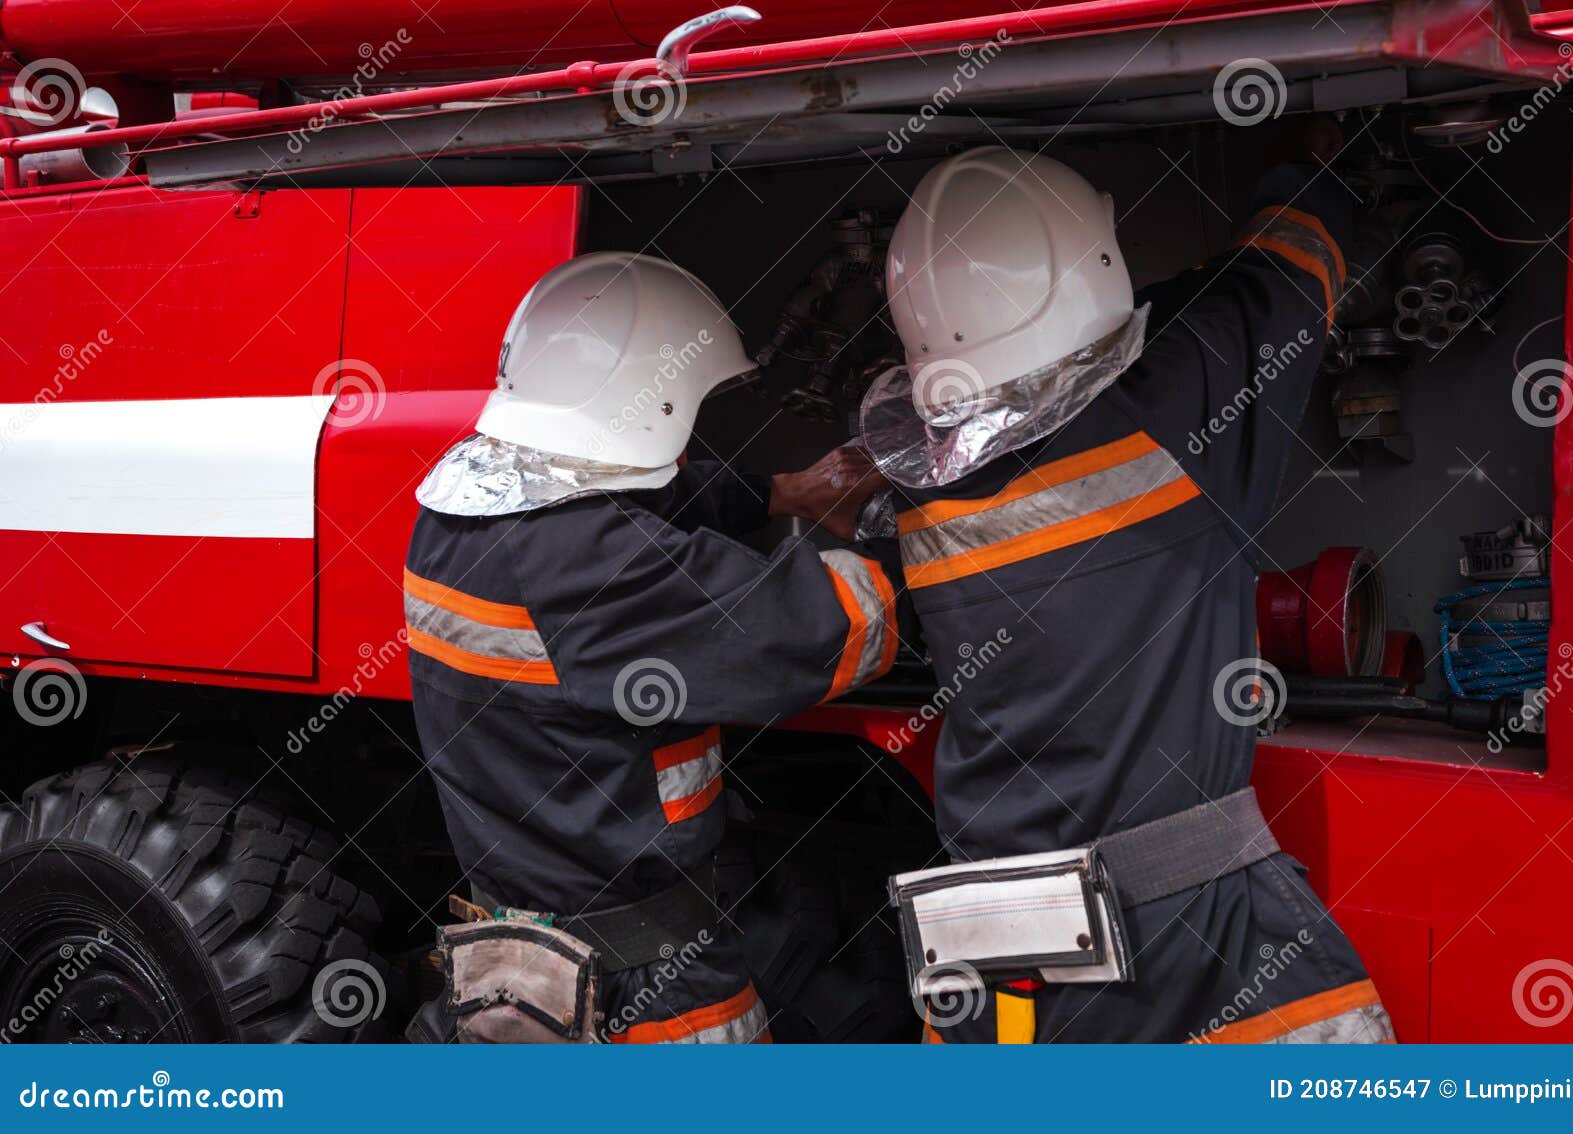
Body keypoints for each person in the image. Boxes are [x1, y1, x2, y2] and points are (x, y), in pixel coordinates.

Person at [861, 127, 1394, 1043]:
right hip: (1192, 943)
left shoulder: (922, 485)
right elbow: (1281, 274)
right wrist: (1325, 159)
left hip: (991, 969)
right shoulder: (1176, 404)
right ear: (1097, 265)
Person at [405, 251, 898, 1043]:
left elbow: (647, 500)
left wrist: (785, 492)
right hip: (652, 995)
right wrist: (911, 533)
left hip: (518, 973)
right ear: (658, 401)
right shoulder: (605, 565)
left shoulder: (453, 515)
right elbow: (828, 634)